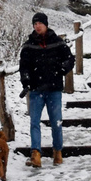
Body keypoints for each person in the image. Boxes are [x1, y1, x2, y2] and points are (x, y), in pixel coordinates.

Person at [18, 12, 73, 167]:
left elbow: (69, 59)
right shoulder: (28, 45)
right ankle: (35, 153)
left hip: (54, 89)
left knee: (56, 122)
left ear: (46, 24)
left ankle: (57, 152)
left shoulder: (57, 42)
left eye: (40, 23)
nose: (37, 26)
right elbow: (24, 66)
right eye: (35, 24)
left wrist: (62, 69)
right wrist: (26, 80)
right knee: (34, 122)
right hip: (35, 90)